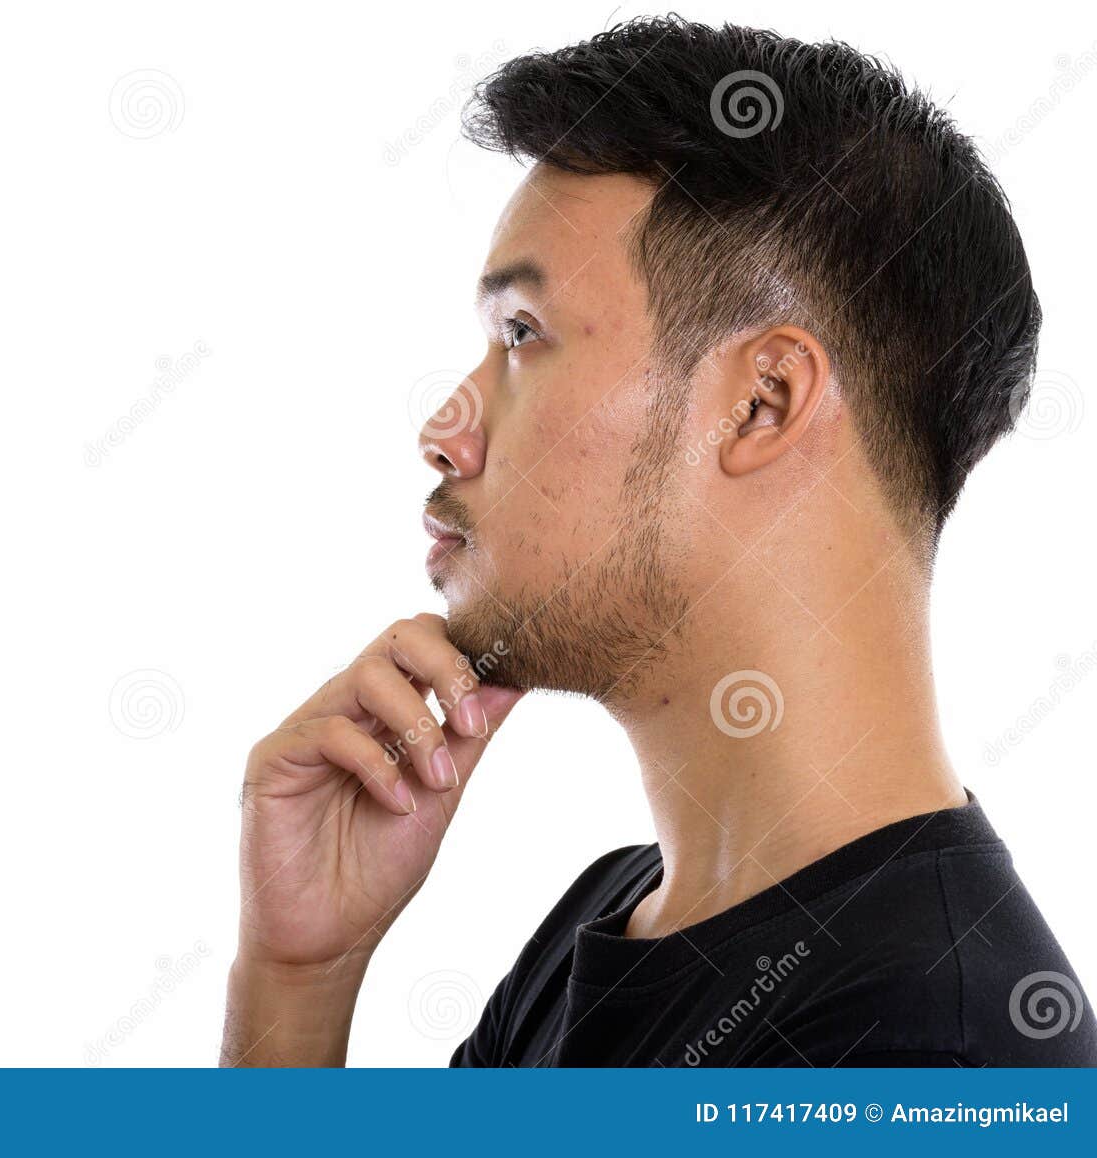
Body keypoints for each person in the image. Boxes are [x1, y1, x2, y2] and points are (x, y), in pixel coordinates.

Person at [221, 16, 1094, 1066]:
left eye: (519, 337)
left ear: (762, 403)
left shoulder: (936, 1055)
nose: (444, 431)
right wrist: (298, 976)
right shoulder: (608, 918)